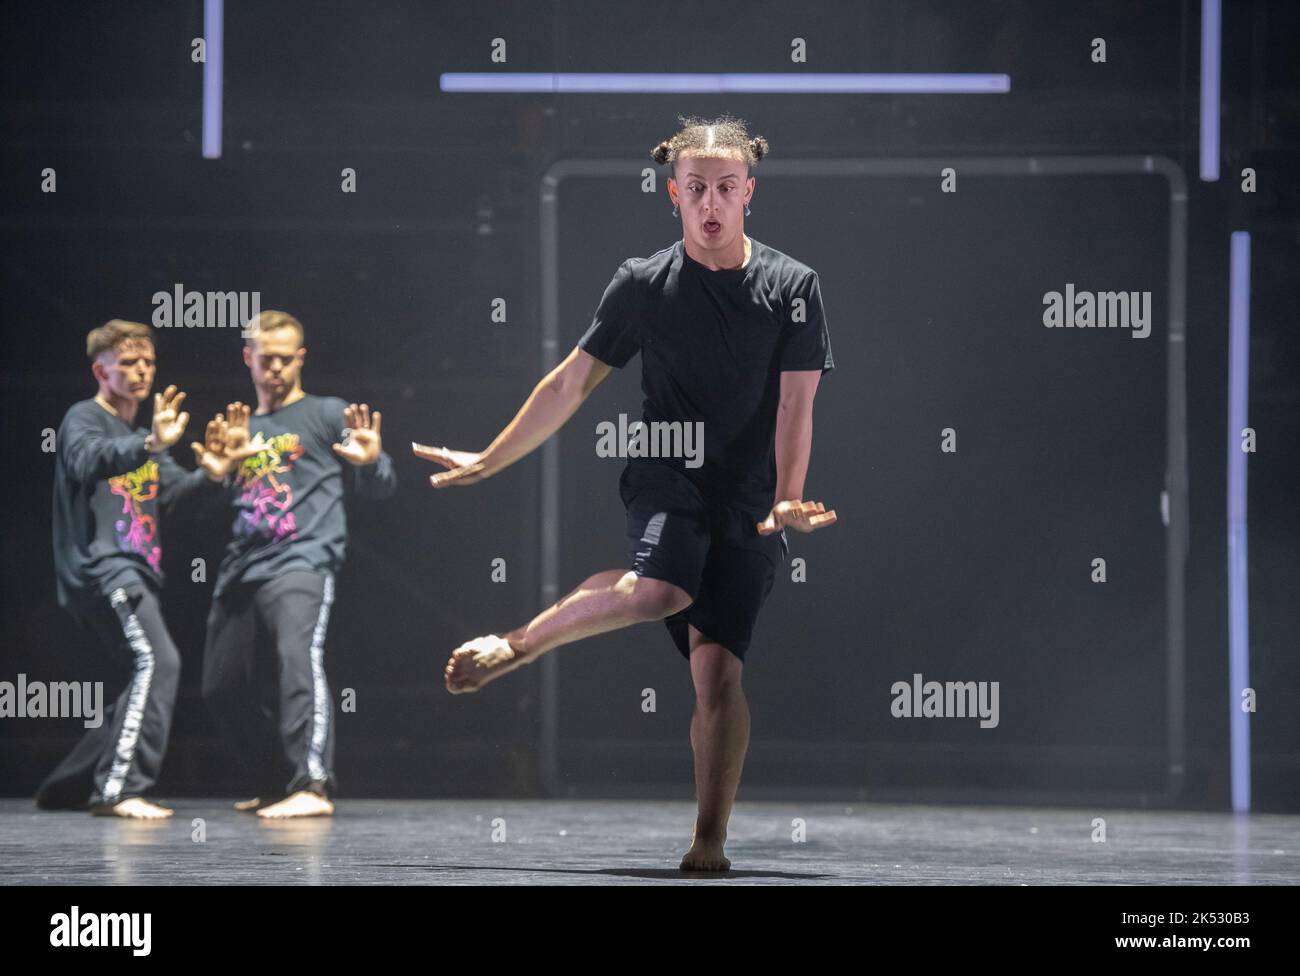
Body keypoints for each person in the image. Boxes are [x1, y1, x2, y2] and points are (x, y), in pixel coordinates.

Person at [414, 116, 837, 869]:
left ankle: (709, 838)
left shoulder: (793, 287)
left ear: (749, 194)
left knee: (718, 672)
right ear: (674, 193)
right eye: (697, 188)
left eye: (726, 189)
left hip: (750, 499)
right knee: (659, 591)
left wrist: (786, 500)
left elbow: (796, 405)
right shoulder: (643, 283)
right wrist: (491, 456)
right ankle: (518, 645)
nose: (711, 202)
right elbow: (571, 381)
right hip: (666, 471)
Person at [39, 319, 250, 819]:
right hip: (105, 567)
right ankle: (118, 790)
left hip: (135, 570)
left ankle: (65, 786)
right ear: (100, 370)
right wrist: (150, 445)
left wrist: (215, 473)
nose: (141, 371)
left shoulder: (141, 435)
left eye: (148, 362)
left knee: (137, 677)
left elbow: (176, 495)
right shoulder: (84, 418)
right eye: (128, 363)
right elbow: (89, 460)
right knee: (159, 662)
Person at [201, 310, 396, 819]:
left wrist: (372, 462)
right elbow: (209, 503)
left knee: (296, 657)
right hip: (241, 567)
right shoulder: (240, 424)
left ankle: (311, 783)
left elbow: (383, 487)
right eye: (266, 359)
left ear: (300, 358)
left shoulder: (326, 413)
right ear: (249, 357)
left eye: (287, 359)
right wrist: (220, 471)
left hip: (304, 560)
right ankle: (274, 782)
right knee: (221, 687)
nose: (276, 369)